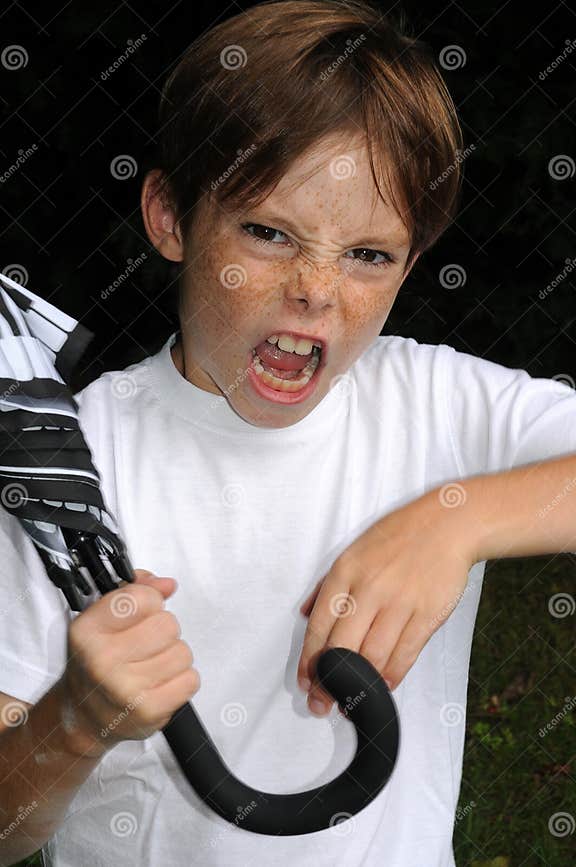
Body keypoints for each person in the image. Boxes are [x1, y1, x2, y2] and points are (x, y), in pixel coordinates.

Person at [1, 1, 575, 865]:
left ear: (411, 263)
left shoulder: (440, 406)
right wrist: (72, 722)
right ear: (169, 217)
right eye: (268, 234)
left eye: (368, 255)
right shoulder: (65, 475)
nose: (314, 289)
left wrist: (458, 519)